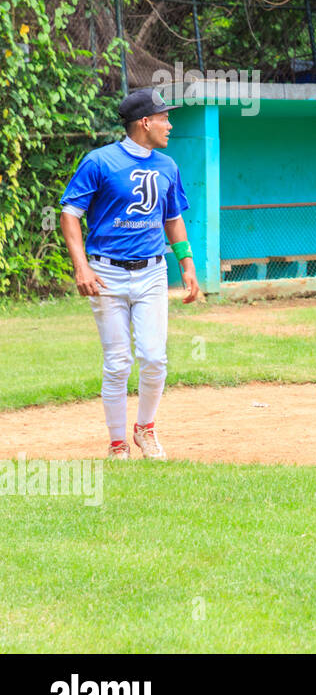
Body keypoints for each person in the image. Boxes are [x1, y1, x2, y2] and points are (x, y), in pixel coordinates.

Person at [59, 87, 201, 459]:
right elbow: (70, 214)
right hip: (107, 274)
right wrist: (81, 266)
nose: (169, 125)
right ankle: (117, 442)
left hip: (153, 274)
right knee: (118, 362)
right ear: (144, 122)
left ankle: (145, 428)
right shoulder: (100, 162)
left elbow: (173, 218)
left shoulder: (167, 166)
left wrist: (186, 264)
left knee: (154, 357)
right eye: (164, 118)